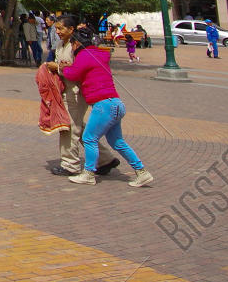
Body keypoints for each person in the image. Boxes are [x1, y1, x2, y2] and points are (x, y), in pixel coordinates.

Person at [51, 23, 153, 187]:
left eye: (74, 44)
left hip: (103, 105)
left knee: (88, 138)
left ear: (77, 43)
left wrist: (60, 67)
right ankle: (141, 171)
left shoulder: (84, 55)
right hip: (116, 103)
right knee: (117, 142)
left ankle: (89, 173)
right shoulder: (99, 54)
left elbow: (73, 74)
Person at [50, 15, 119, 177]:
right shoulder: (60, 45)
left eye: (61, 28)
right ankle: (105, 159)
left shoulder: (77, 46)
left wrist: (59, 68)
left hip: (76, 92)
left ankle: (70, 165)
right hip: (65, 90)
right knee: (78, 126)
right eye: (56, 29)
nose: (57, 32)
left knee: (69, 127)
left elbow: (77, 70)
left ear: (71, 29)